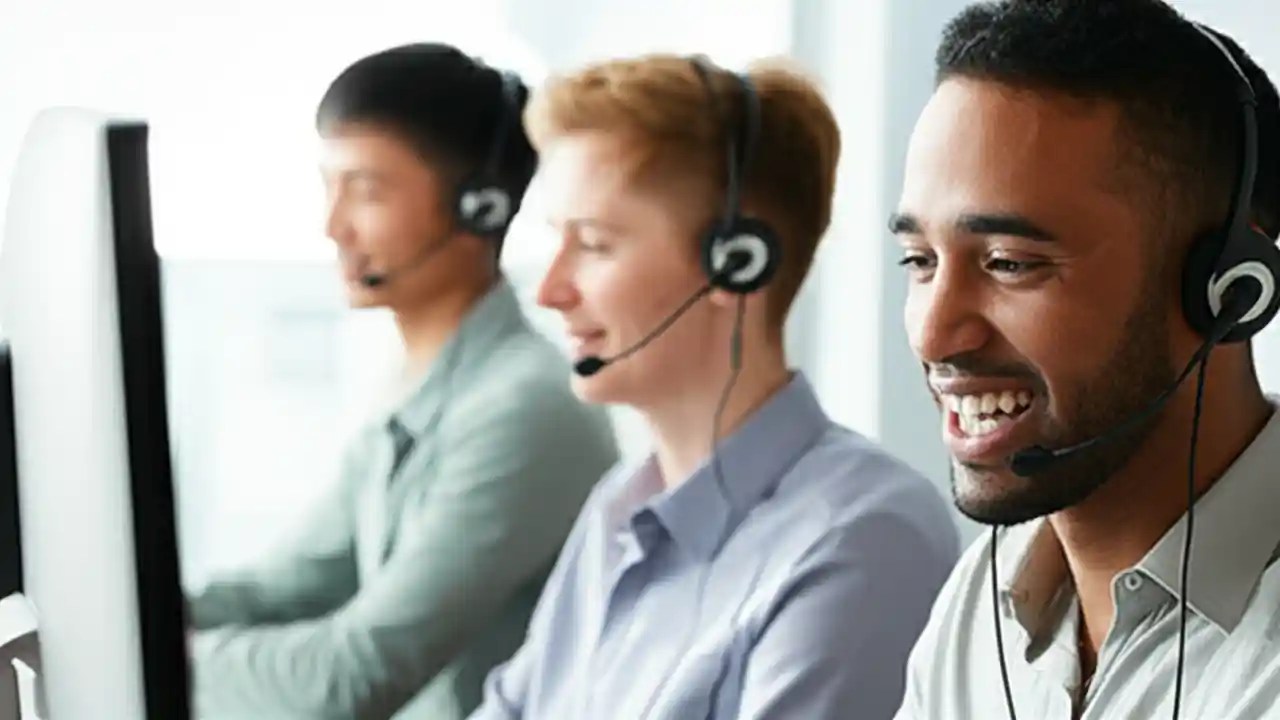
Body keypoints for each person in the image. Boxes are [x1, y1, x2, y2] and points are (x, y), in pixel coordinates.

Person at [467, 53, 959, 720]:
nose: (549, 291)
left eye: (594, 244)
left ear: (735, 261)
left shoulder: (866, 538)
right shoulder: (618, 511)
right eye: (556, 241)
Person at [185, 44, 620, 720]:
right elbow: (295, 584)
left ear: (479, 207)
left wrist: (159, 654)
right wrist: (130, 612)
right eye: (328, 187)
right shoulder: (419, 386)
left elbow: (354, 676)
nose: (332, 227)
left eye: (365, 190)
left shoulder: (525, 409)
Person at [890, 2, 1280, 718]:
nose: (933, 334)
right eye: (919, 260)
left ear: (1227, 290)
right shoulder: (987, 599)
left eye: (1008, 264)